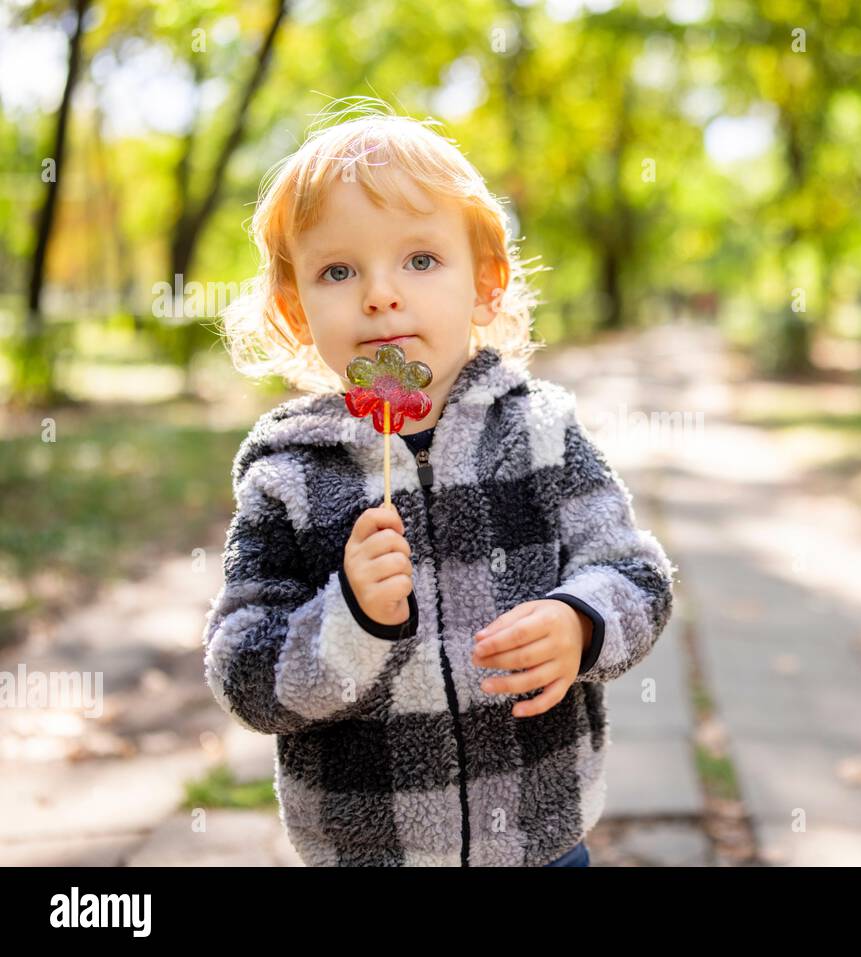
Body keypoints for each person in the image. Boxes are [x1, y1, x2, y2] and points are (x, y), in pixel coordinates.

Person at [202, 101, 675, 867]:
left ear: (485, 284)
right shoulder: (288, 469)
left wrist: (581, 621)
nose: (380, 294)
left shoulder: (540, 431)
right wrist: (349, 619)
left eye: (420, 260)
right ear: (296, 309)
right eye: (337, 270)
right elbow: (243, 671)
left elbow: (638, 573)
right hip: (368, 846)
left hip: (538, 838)